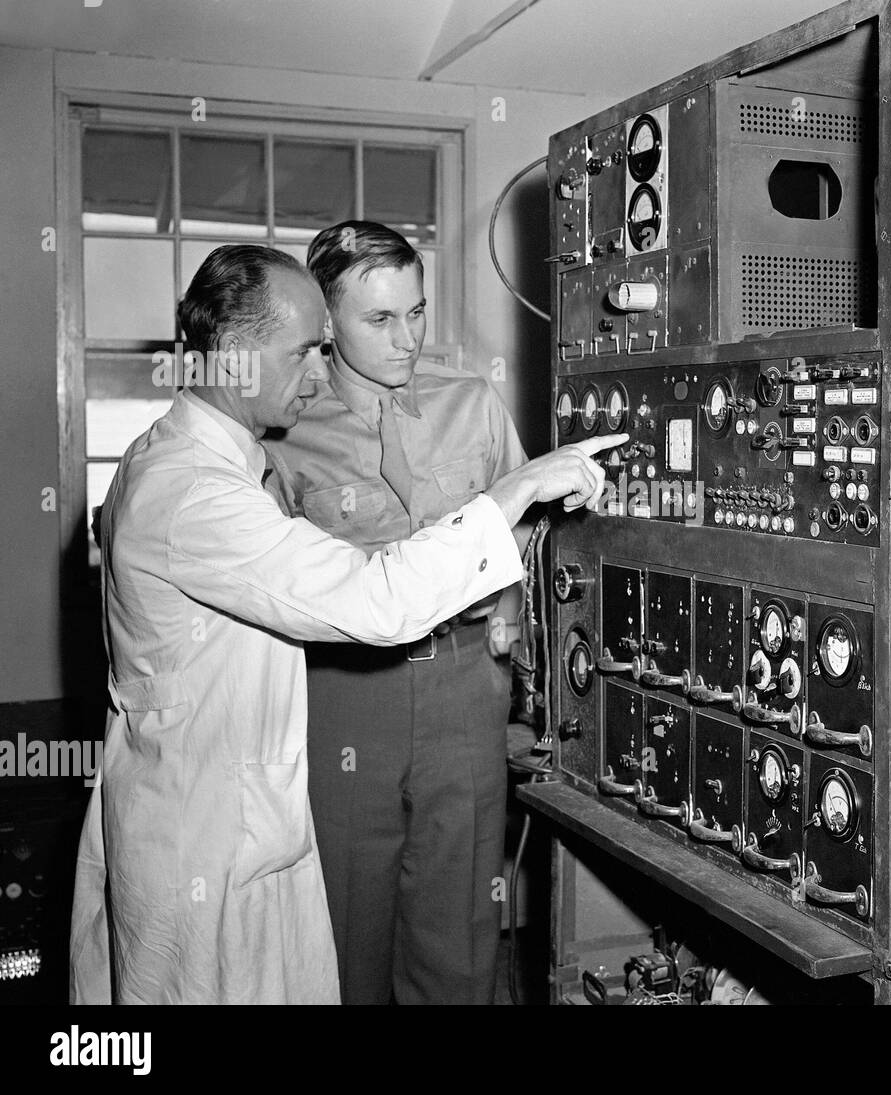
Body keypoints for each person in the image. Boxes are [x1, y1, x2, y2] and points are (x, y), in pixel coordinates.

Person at [69, 244, 621, 1004]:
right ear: (233, 357)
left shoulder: (187, 455)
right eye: (305, 349)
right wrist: (519, 487)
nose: (318, 367)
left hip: (407, 705)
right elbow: (373, 598)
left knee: (447, 933)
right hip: (218, 816)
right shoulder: (196, 490)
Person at [262, 221, 524, 1004]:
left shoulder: (471, 402)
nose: (407, 337)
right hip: (346, 693)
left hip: (465, 685)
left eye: (416, 312)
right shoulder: (281, 429)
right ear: (325, 321)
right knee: (345, 924)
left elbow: (526, 534)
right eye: (380, 319)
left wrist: (514, 638)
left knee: (463, 932)